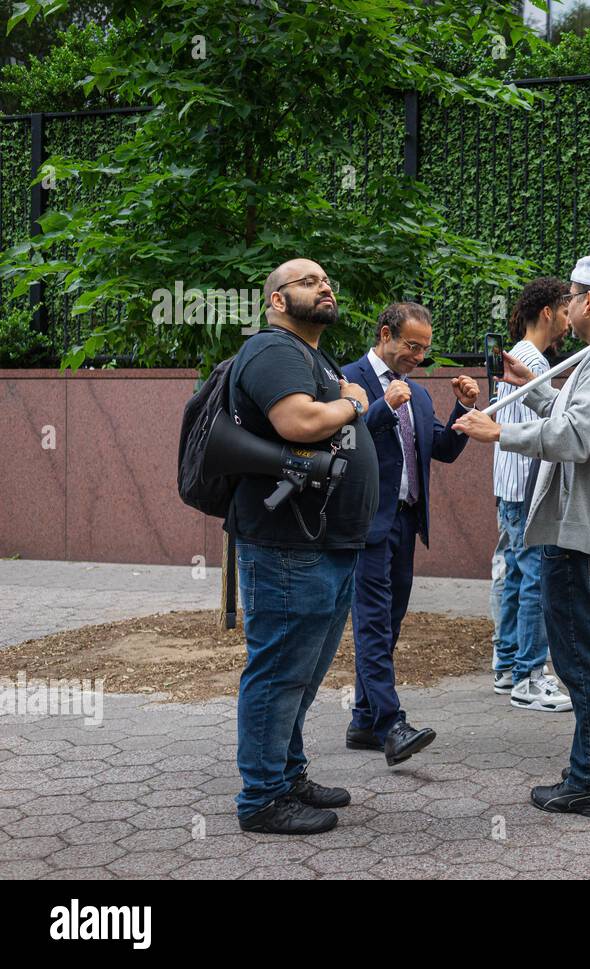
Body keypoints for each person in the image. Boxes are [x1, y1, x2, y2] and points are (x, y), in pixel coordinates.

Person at [455, 251, 590, 819]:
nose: (565, 306)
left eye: (571, 296)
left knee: (583, 661)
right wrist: (537, 391)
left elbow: (578, 438)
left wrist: (501, 430)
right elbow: (584, 418)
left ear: (589, 301)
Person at [226, 259, 379, 835]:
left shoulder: (310, 355)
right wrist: (355, 402)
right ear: (277, 300)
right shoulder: (273, 351)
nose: (325, 286)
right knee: (279, 671)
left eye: (327, 280)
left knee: (303, 673)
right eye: (309, 281)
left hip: (324, 543)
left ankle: (287, 774)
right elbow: (298, 422)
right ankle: (262, 798)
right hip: (288, 545)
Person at [341, 302, 478, 766]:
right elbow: (337, 439)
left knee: (390, 621)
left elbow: (442, 449)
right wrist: (381, 408)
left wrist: (464, 408)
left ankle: (362, 719)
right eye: (411, 346)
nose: (418, 356)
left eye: (425, 349)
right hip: (364, 523)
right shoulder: (348, 378)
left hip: (405, 521)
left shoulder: (417, 395)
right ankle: (390, 724)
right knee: (373, 622)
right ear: (385, 334)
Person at [490, 277, 573, 712]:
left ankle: (507, 666)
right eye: (564, 311)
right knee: (535, 577)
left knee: (517, 576)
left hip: (509, 482)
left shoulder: (521, 356)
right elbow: (544, 428)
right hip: (526, 484)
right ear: (547, 313)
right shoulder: (533, 361)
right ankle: (529, 676)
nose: (568, 320)